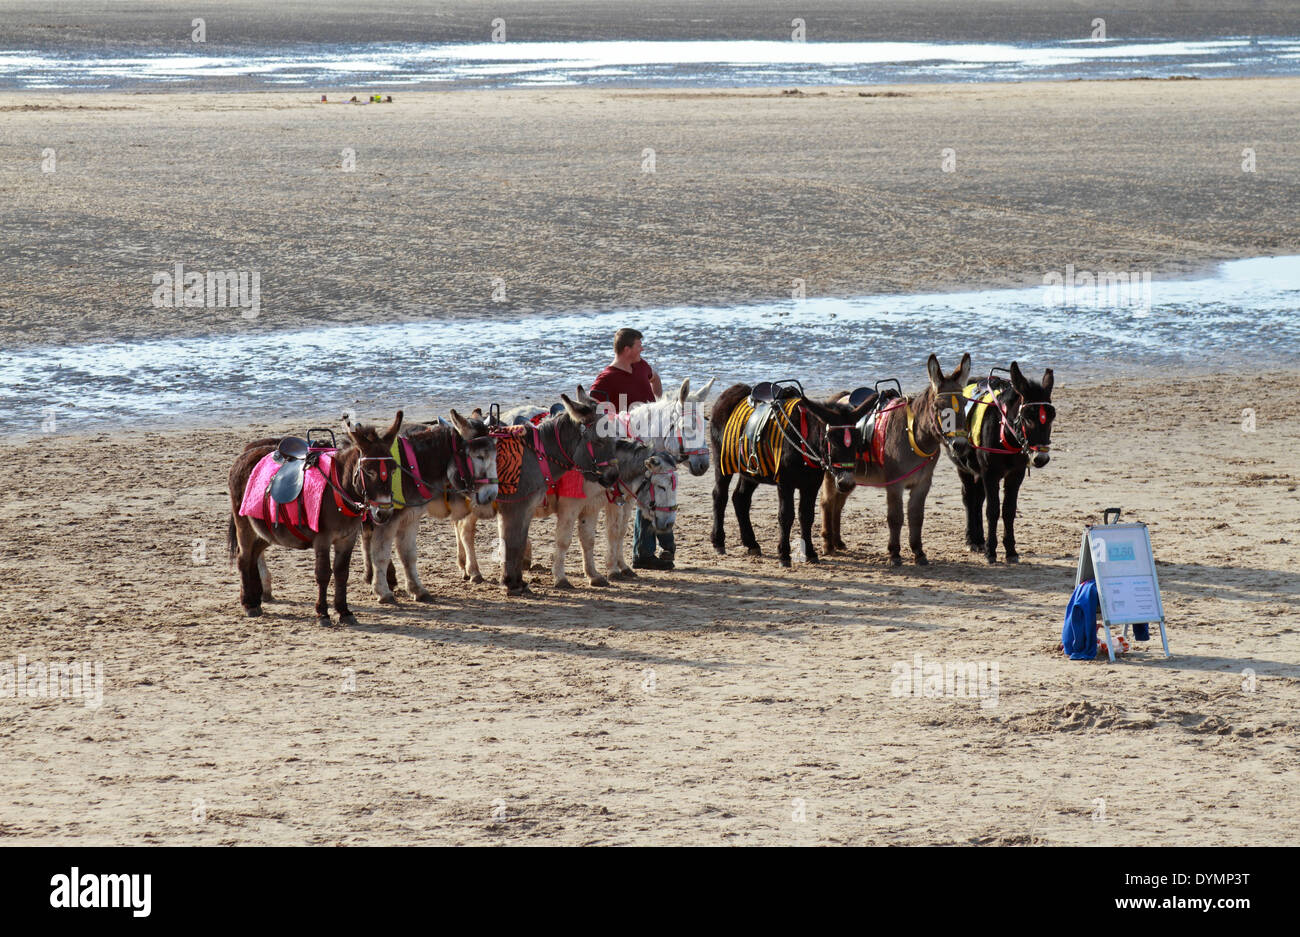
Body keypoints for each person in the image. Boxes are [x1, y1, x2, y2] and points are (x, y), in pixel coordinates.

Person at [588, 328, 673, 571]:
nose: (642, 349)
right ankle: (644, 553)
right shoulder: (606, 378)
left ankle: (660, 546)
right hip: (627, 450)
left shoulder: (642, 366)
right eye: (638, 345)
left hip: (651, 443)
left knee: (660, 489)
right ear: (627, 349)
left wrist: (659, 402)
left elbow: (655, 378)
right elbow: (594, 411)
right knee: (642, 493)